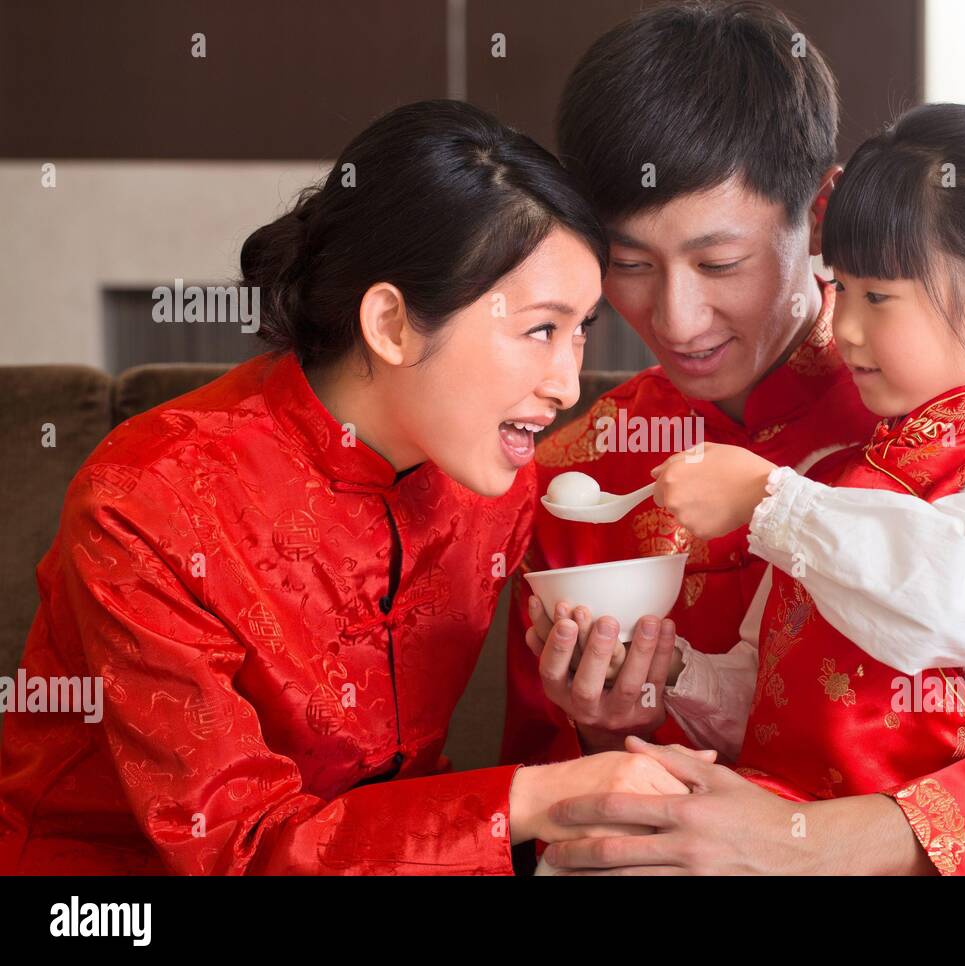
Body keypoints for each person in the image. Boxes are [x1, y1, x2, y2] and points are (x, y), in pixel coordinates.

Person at [514, 2, 965, 875]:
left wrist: (830, 844)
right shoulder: (572, 467)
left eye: (721, 263)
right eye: (631, 265)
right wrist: (615, 717)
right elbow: (531, 787)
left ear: (821, 207)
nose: (676, 318)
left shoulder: (960, 416)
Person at [0, 100, 699, 875]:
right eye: (539, 329)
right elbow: (240, 850)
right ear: (392, 324)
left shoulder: (495, 480)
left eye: (582, 332)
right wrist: (537, 798)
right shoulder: (149, 501)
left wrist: (603, 721)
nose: (567, 384)